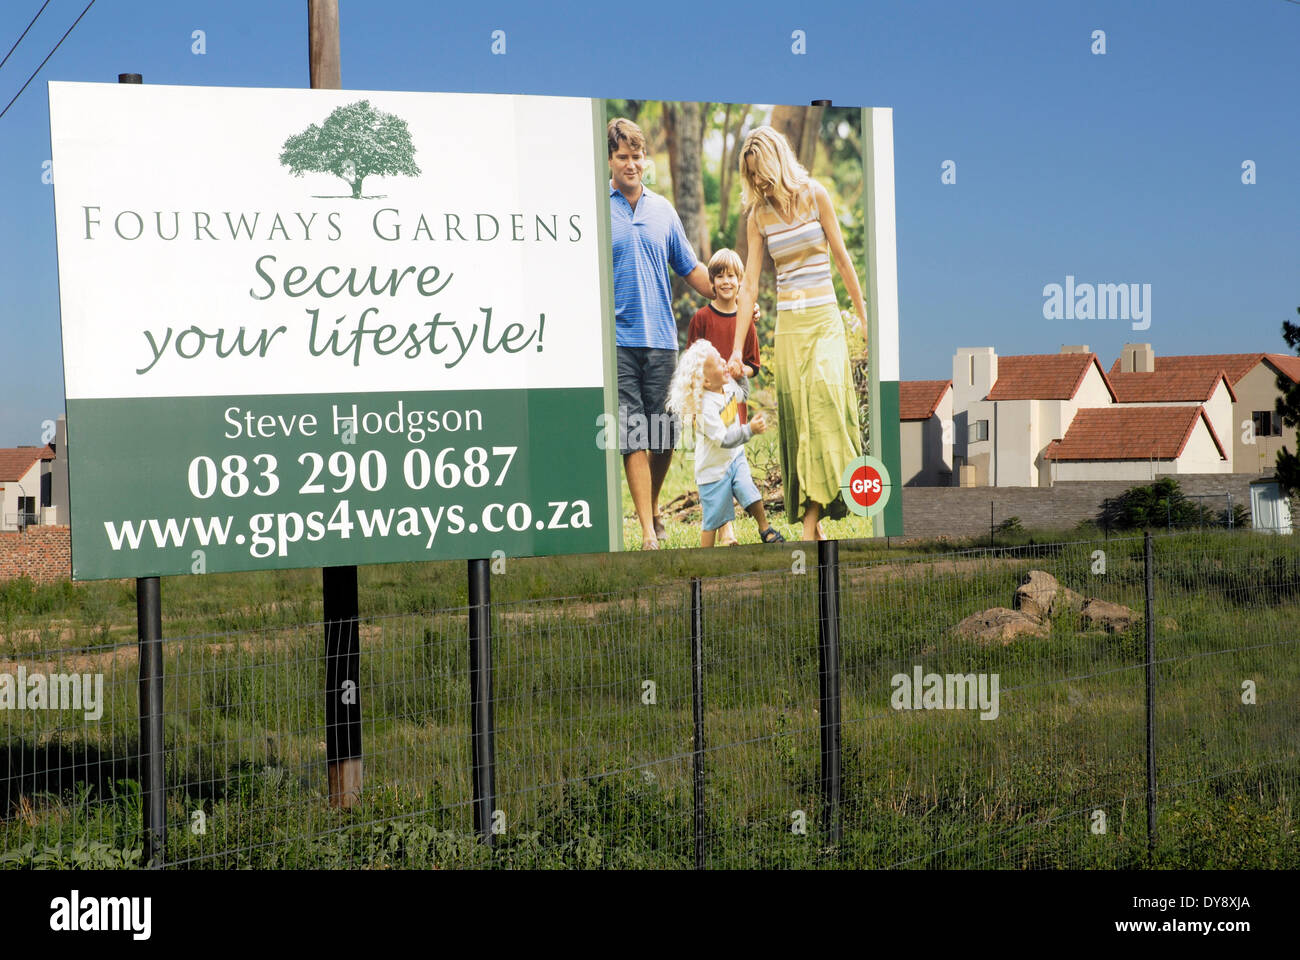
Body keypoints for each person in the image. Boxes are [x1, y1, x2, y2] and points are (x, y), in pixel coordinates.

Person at [727, 125, 867, 543]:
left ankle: (809, 528)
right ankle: (814, 525)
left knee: (823, 406)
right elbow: (750, 283)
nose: (758, 181)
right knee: (798, 419)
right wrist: (736, 349)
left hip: (824, 319)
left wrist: (866, 320)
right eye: (750, 175)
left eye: (761, 171)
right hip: (788, 325)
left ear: (777, 159)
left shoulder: (815, 195)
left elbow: (843, 261)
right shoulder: (758, 216)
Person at [607, 117, 717, 550]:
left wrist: (734, 298)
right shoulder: (597, 209)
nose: (632, 165)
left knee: (664, 434)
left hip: (660, 340)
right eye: (623, 157)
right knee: (632, 433)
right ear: (609, 160)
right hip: (617, 342)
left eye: (637, 157)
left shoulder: (663, 210)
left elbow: (692, 270)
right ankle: (649, 532)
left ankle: (652, 506)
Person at [666, 340, 784, 547]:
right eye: (719, 364)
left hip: (735, 457)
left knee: (750, 493)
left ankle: (765, 529)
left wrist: (741, 376)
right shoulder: (705, 409)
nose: (724, 363)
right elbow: (724, 440)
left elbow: (743, 395)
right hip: (713, 471)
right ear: (707, 382)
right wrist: (750, 430)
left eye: (722, 359)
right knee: (712, 520)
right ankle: (705, 559)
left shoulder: (726, 385)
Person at [686, 247, 763, 545]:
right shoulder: (701, 319)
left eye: (732, 275)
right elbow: (692, 363)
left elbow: (754, 366)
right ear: (712, 281)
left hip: (733, 403)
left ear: (741, 280)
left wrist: (739, 370)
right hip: (707, 404)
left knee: (731, 458)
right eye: (719, 276)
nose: (726, 282)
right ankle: (723, 528)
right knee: (713, 463)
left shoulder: (747, 321)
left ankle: (728, 530)